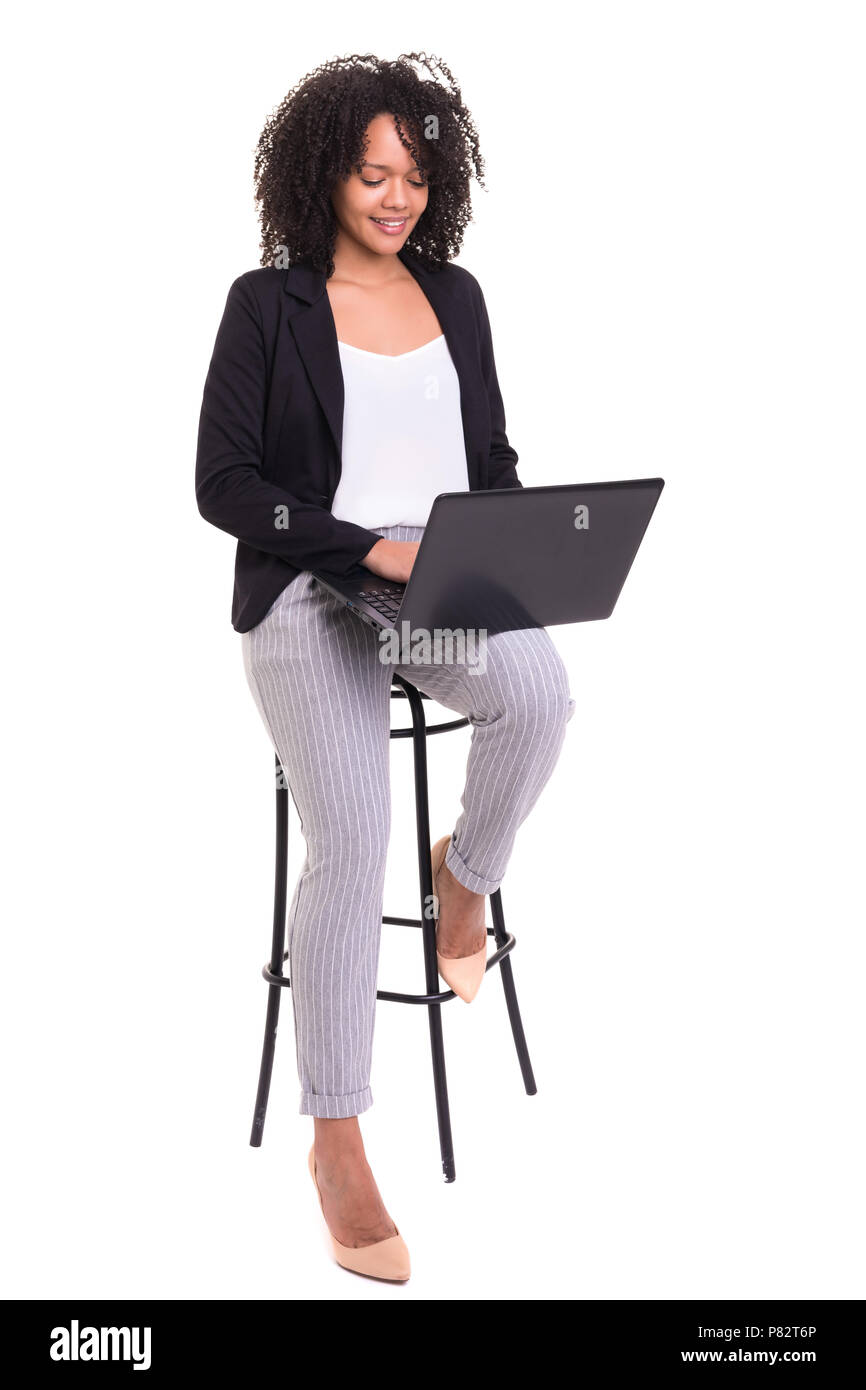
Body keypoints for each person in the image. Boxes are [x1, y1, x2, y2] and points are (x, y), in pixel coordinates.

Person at [195, 52, 576, 1282]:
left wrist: (508, 543)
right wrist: (369, 548)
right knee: (349, 841)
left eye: (412, 175)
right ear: (324, 175)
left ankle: (461, 879)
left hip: (430, 593)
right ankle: (338, 1135)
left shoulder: (454, 298)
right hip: (314, 592)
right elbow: (226, 487)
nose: (393, 197)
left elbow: (493, 457)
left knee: (539, 691)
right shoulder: (269, 304)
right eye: (370, 174)